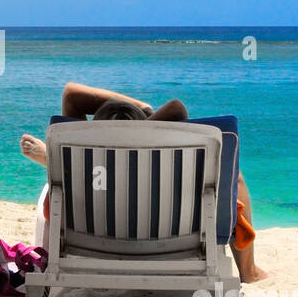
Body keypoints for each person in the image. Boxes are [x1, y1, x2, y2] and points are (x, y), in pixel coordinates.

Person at [20, 82, 267, 283]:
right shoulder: (170, 185)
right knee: (235, 178)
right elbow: (176, 107)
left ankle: (55, 161)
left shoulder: (93, 170)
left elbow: (72, 94)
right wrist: (145, 115)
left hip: (91, 231)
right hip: (170, 234)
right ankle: (249, 271)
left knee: (88, 176)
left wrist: (124, 125)